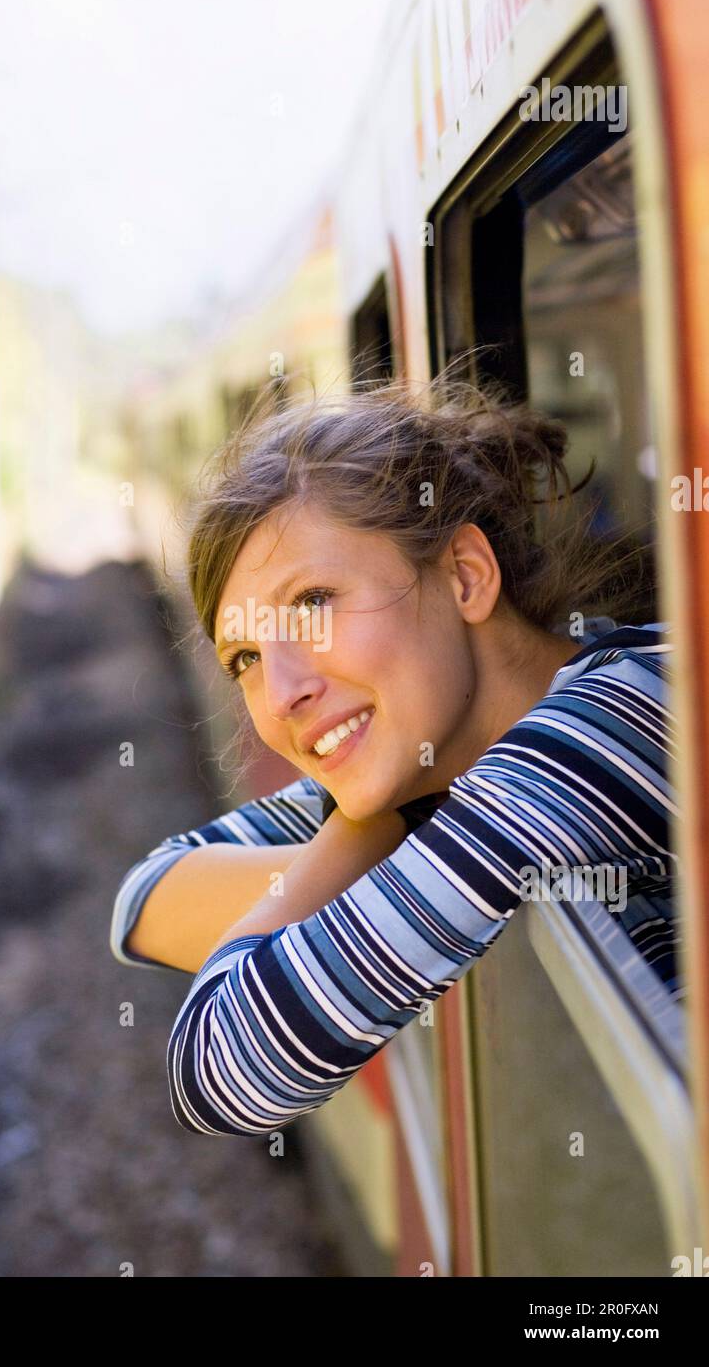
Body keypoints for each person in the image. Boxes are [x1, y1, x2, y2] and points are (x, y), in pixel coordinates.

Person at [109, 373, 680, 1137]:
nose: (280, 694)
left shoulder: (616, 719)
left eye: (312, 603)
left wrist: (363, 829)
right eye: (244, 658)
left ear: (465, 576)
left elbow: (221, 1072)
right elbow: (141, 899)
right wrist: (368, 822)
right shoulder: (435, 760)